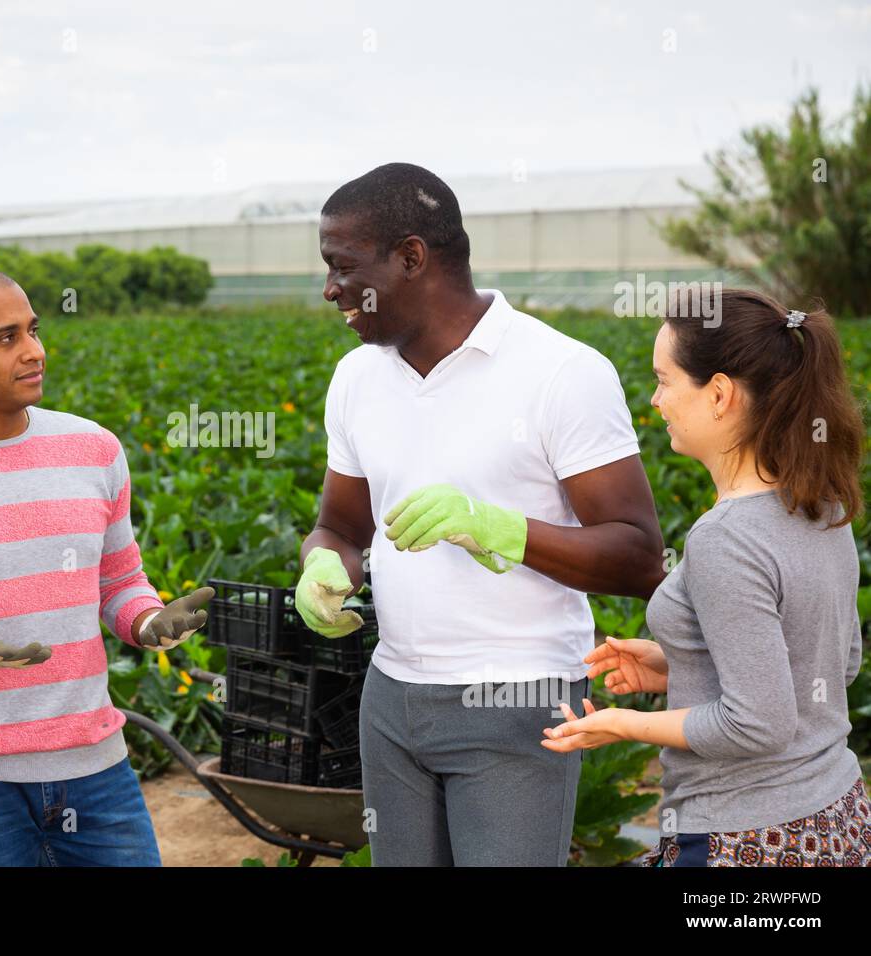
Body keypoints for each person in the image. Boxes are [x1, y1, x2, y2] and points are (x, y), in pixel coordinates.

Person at [295, 162, 666, 866]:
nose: (330, 288)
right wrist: (323, 563)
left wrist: (503, 530)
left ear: (411, 257)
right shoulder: (357, 378)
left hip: (519, 701)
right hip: (392, 697)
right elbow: (342, 526)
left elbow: (639, 557)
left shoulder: (561, 372)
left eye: (342, 267)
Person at [0, 268, 212, 867]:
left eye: (33, 330)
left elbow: (119, 582)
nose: (34, 351)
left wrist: (149, 621)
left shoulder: (94, 451)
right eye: (6, 338)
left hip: (94, 765)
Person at [543, 288, 869, 867]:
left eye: (665, 380)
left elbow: (758, 725)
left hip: (745, 841)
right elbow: (831, 664)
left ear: (719, 394)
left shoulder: (726, 538)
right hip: (834, 821)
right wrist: (682, 661)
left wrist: (626, 724)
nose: (656, 399)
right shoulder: (821, 506)